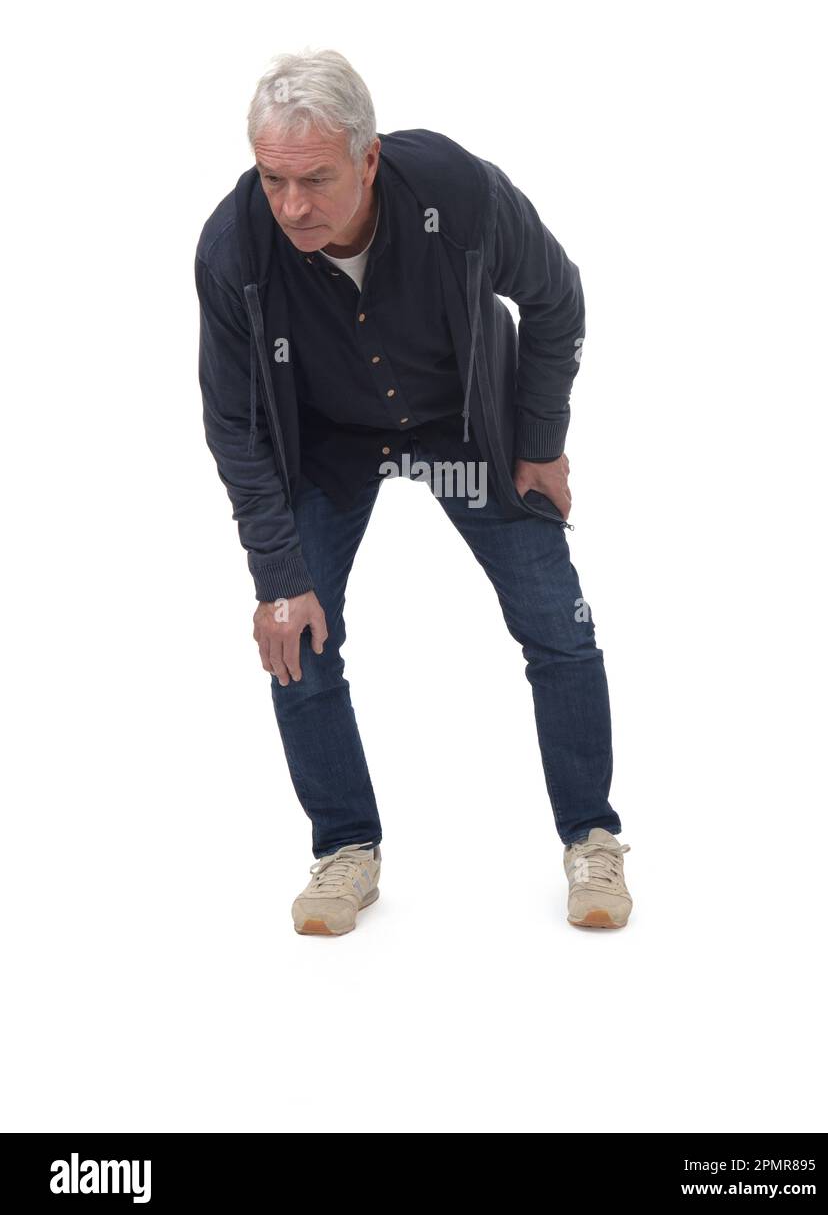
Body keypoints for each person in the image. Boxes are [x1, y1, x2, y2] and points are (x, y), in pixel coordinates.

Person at [195, 49, 632, 936]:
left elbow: (556, 299)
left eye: (315, 179)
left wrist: (542, 442)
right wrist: (278, 570)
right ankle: (345, 848)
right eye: (271, 178)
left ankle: (593, 834)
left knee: (558, 620)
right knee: (299, 634)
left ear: (369, 158)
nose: (291, 207)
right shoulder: (235, 246)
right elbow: (235, 426)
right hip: (327, 445)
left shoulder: (459, 193)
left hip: (462, 424)